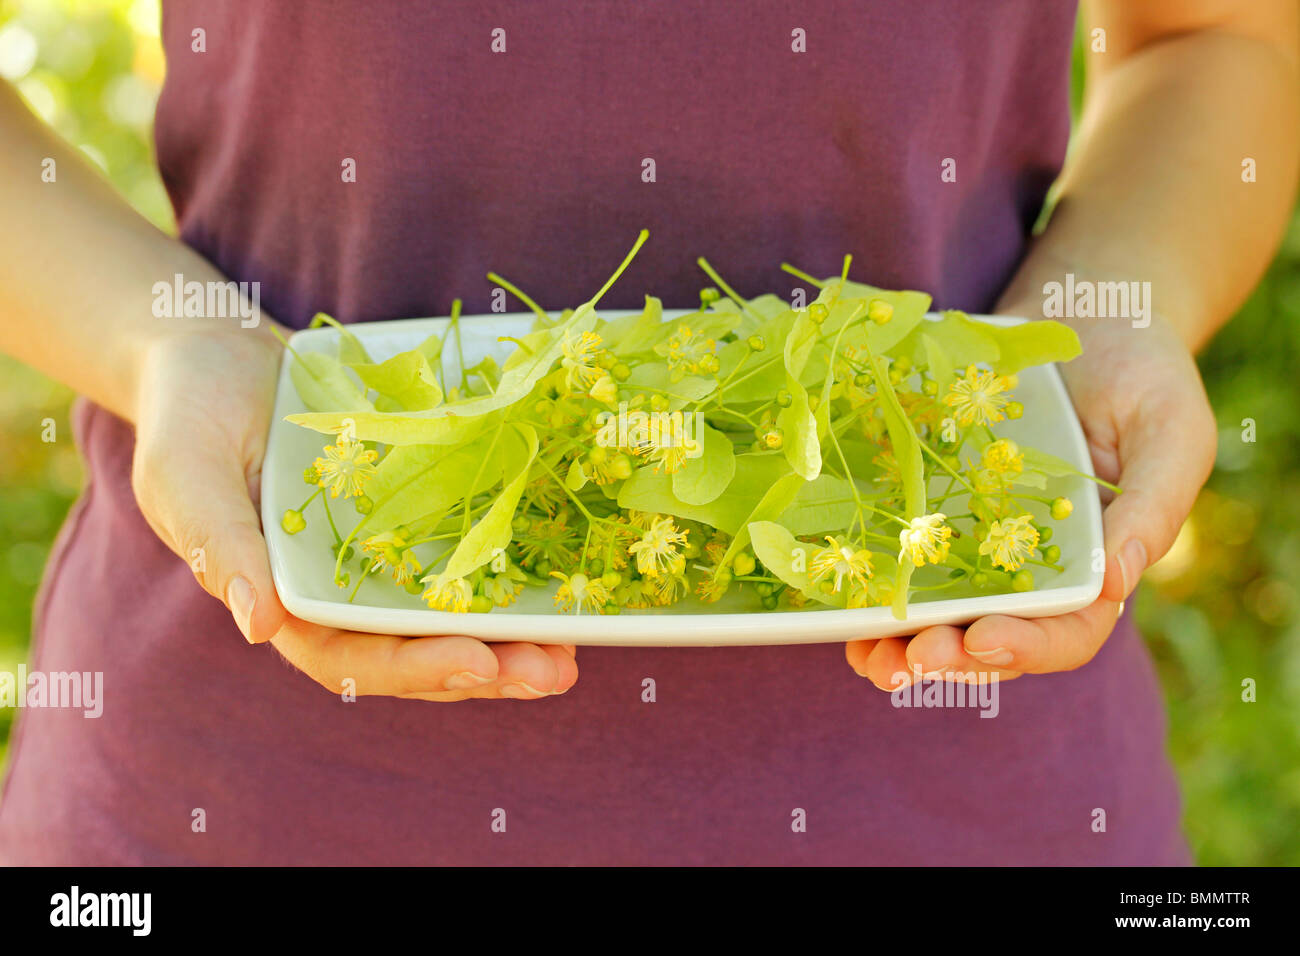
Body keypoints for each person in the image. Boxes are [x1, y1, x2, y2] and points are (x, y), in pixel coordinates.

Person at [0, 1, 1294, 865]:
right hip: (230, 787)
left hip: (972, 787)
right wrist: (167, 338)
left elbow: (1213, 36)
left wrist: (1110, 306)